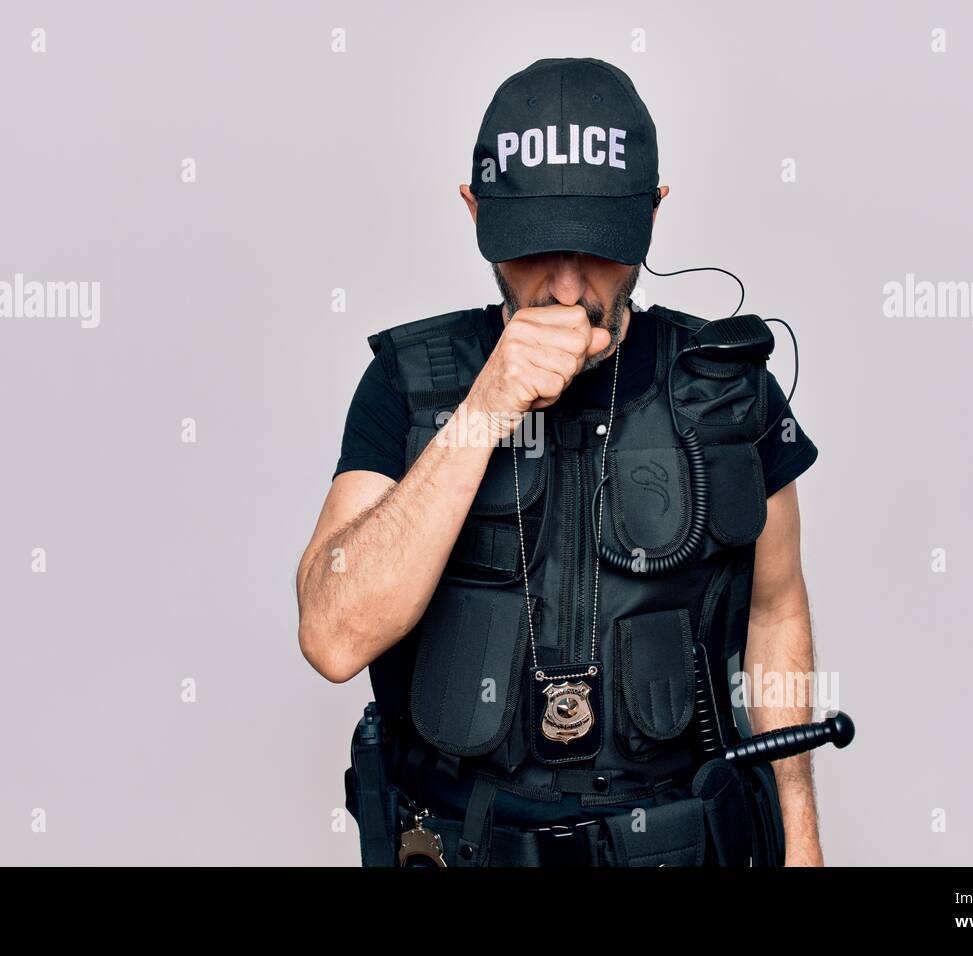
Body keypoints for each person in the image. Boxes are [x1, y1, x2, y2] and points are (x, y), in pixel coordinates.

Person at [297, 57, 824, 867]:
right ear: (475, 213)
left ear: (652, 215)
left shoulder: (730, 394)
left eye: (603, 250)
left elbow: (774, 614)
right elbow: (334, 636)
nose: (570, 290)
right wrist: (484, 409)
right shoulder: (406, 386)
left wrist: (801, 842)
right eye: (537, 250)